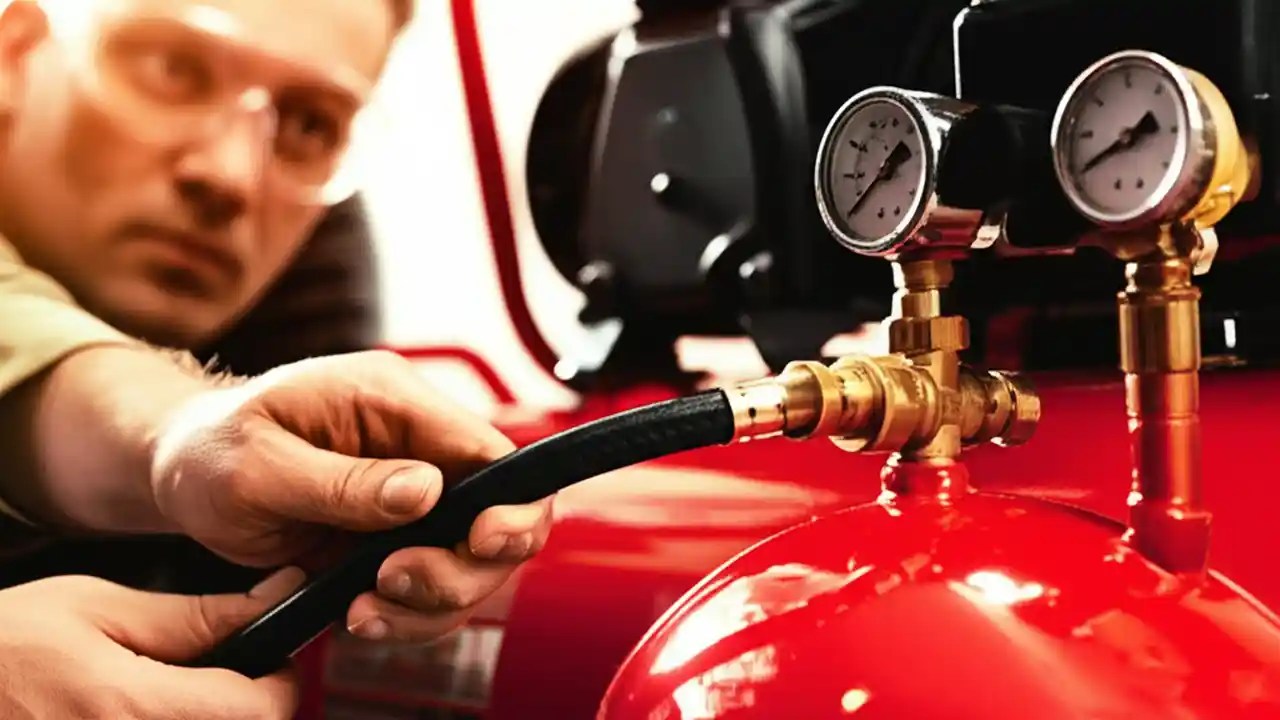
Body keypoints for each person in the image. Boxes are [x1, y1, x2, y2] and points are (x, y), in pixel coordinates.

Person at [0, 0, 554, 717]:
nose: (231, 174)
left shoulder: (315, 294)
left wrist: (199, 442)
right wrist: (177, 436)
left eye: (309, 124)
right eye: (174, 69)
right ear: (12, 56)